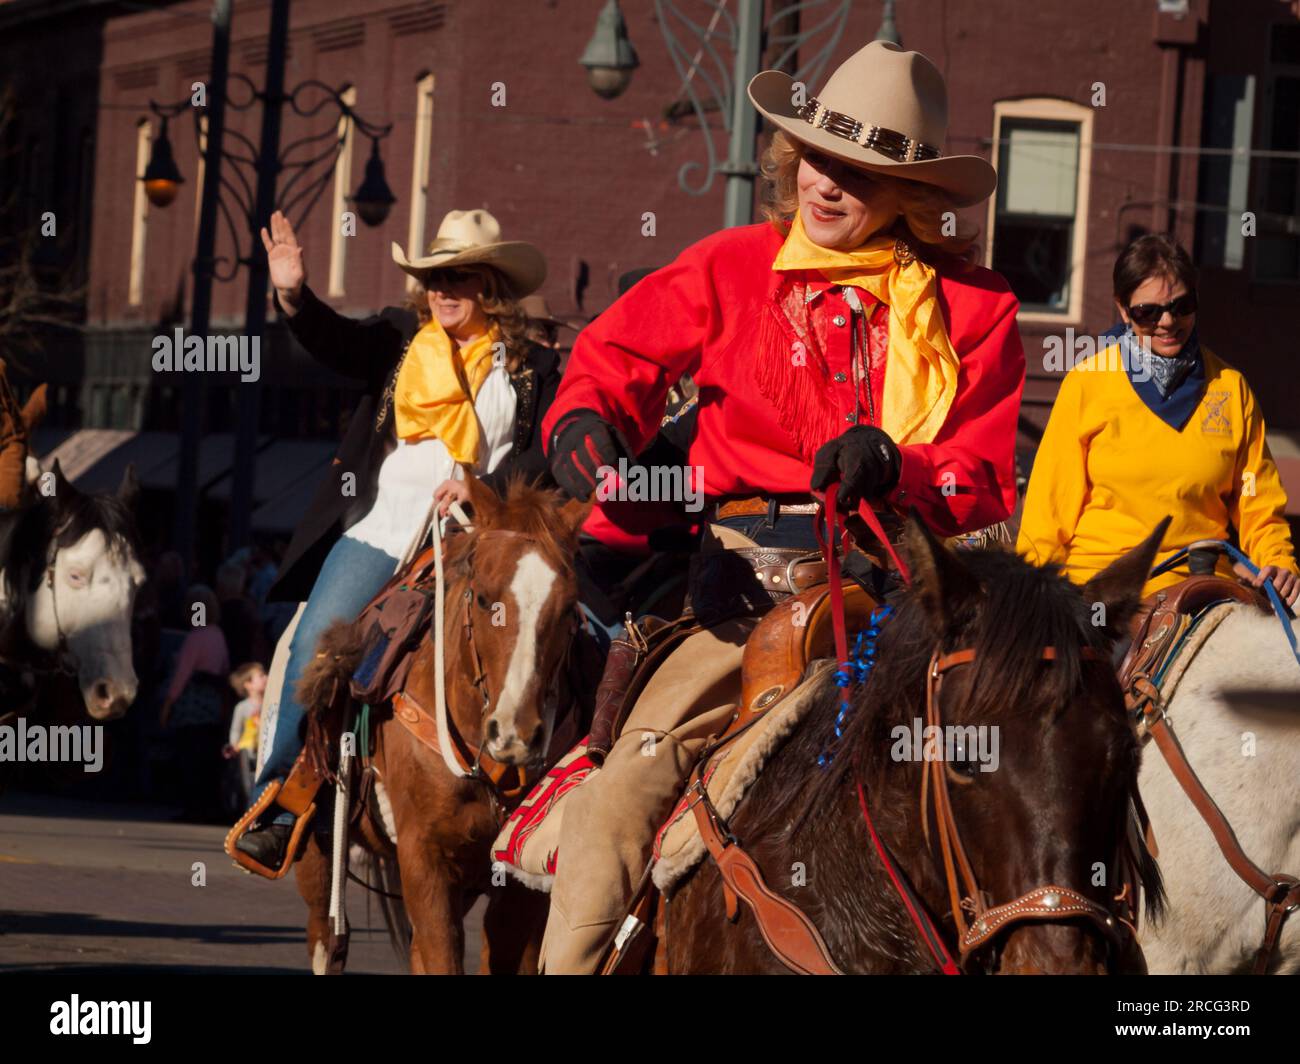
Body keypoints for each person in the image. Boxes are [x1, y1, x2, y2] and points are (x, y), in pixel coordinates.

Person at [536, 40, 1026, 973]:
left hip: (900, 599)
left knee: (1029, 782)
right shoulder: (732, 264)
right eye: (816, 158)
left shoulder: (977, 306)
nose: (826, 185)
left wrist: (899, 465)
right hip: (739, 600)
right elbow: (614, 362)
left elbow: (983, 479)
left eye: (857, 171)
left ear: (910, 195)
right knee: (611, 810)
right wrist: (584, 430)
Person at [233, 207, 559, 872]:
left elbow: (549, 452)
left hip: (481, 540)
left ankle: (563, 797)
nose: (443, 290)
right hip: (385, 528)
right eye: (434, 276)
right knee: (316, 652)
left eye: (460, 278)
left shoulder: (533, 368)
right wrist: (293, 293)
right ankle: (284, 798)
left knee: (576, 636)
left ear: (491, 286)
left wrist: (488, 486)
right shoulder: (398, 340)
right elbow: (333, 343)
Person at [1018, 234, 1298, 605]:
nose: (1168, 322)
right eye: (1148, 313)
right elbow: (1047, 514)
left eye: (1182, 306)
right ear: (1123, 311)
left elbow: (1257, 502)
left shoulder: (1231, 389)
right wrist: (1033, 596)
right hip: (1101, 592)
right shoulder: (1087, 384)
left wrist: (1278, 561)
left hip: (1203, 593)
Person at [160, 584, 231, 822]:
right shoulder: (218, 634)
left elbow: (181, 673)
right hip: (212, 703)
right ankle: (208, 806)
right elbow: (224, 668)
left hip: (192, 703)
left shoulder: (195, 637)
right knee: (207, 758)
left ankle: (193, 807)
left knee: (189, 757)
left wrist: (168, 704)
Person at [224, 662, 265, 811]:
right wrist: (234, 744)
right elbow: (235, 729)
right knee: (246, 781)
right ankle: (247, 804)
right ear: (248, 684)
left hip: (262, 747)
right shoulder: (242, 707)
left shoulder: (269, 702)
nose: (265, 678)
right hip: (246, 750)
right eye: (260, 676)